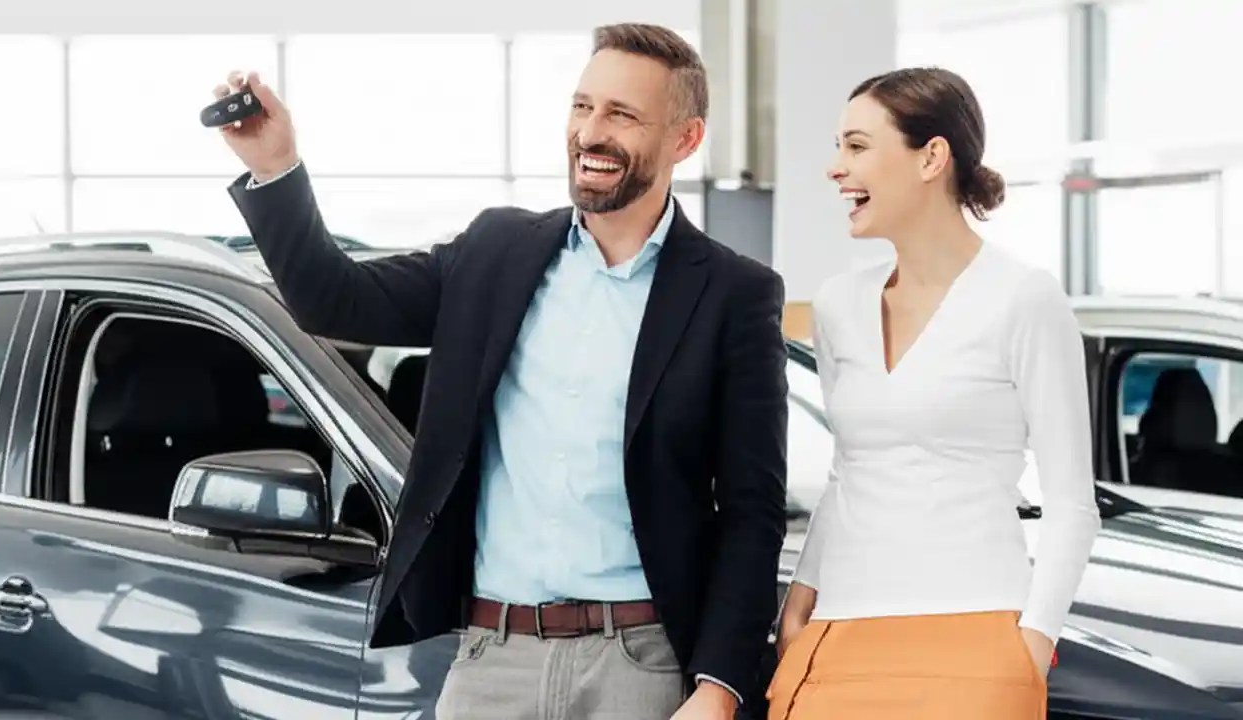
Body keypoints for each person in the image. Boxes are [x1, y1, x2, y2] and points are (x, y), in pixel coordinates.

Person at [213, 22, 788, 720]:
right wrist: (276, 167)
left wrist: (719, 686)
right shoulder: (495, 253)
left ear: (685, 140)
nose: (592, 132)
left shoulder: (733, 294)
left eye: (623, 115)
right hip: (495, 658)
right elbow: (333, 298)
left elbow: (753, 513)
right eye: (583, 106)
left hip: (642, 662)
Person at [767, 67, 1101, 719]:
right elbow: (849, 471)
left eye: (857, 146)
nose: (836, 168)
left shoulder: (1023, 297)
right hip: (839, 637)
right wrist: (800, 600)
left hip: (975, 639)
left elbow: (1071, 505)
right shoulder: (839, 304)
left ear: (932, 157)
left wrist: (1031, 647)